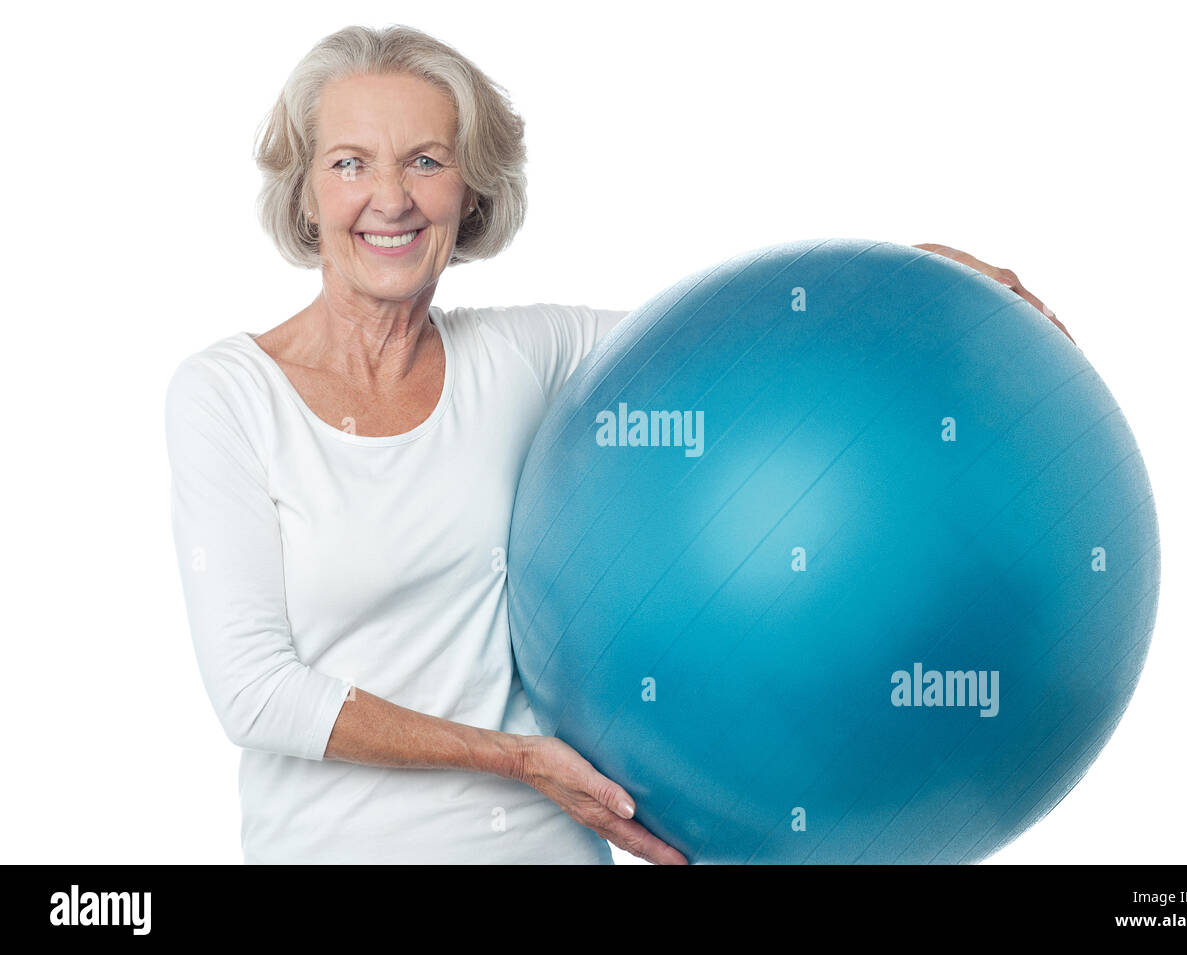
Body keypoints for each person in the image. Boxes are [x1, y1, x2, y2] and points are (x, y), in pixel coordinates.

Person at [164, 24, 1065, 865]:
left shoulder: (523, 355)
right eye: (350, 163)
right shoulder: (230, 396)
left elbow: (743, 342)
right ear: (306, 192)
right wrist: (519, 759)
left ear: (469, 190)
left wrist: (927, 270)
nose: (390, 198)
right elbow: (254, 692)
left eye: (426, 161)